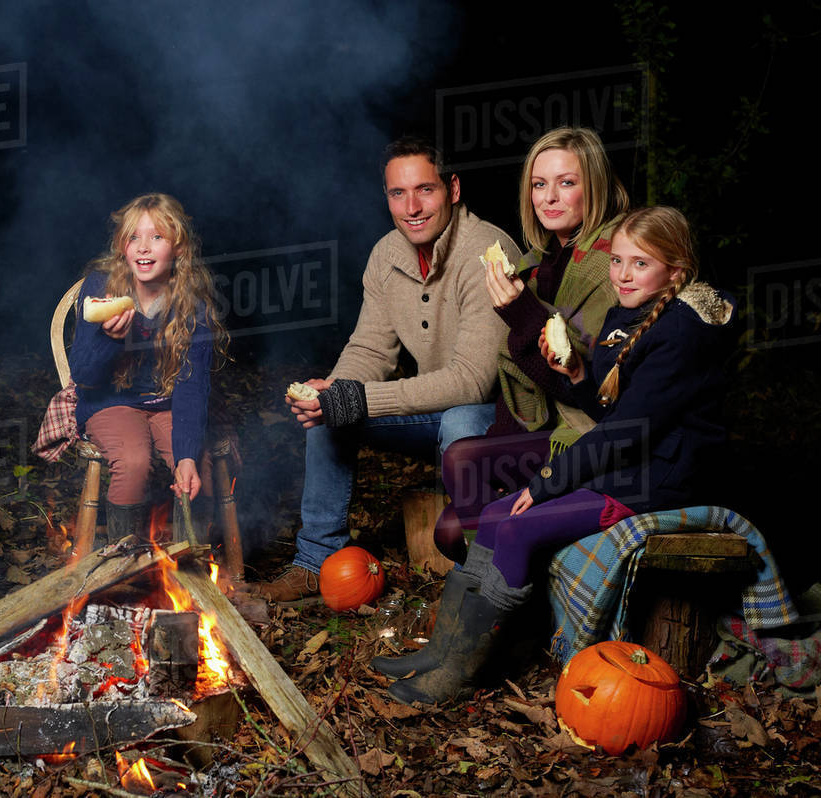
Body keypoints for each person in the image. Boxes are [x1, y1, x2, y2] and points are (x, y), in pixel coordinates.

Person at [378, 206, 736, 705]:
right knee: (497, 514)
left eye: (641, 264)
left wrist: (545, 483)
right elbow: (615, 408)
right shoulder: (625, 315)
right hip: (626, 462)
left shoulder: (681, 336)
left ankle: (461, 676)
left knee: (520, 523)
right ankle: (444, 652)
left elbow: (627, 434)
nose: (623, 275)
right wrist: (576, 380)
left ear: (675, 272)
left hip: (661, 479)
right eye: (618, 261)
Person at [248, 136, 521, 602]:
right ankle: (316, 561)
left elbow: (472, 382)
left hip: (499, 420)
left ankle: (475, 578)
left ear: (453, 189)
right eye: (398, 193)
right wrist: (334, 389)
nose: (411, 206)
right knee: (331, 412)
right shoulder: (386, 254)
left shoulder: (489, 252)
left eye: (425, 190)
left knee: (457, 417)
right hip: (435, 414)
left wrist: (358, 399)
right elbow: (371, 349)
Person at [433, 127, 630, 564]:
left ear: (593, 186)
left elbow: (586, 389)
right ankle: (507, 565)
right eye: (540, 184)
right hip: (539, 435)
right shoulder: (536, 264)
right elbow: (516, 375)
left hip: (590, 438)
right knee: (449, 530)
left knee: (462, 460)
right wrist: (503, 457)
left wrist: (522, 312)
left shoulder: (612, 266)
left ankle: (495, 596)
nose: (549, 197)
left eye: (567, 183)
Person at [69, 193, 228, 543]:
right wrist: (110, 340)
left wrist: (186, 455)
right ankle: (122, 570)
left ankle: (191, 577)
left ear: (179, 248)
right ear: (121, 247)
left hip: (168, 402)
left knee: (194, 467)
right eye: (133, 237)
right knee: (133, 460)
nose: (143, 247)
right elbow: (82, 375)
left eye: (156, 237)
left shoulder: (192, 304)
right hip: (110, 401)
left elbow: (192, 386)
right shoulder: (100, 288)